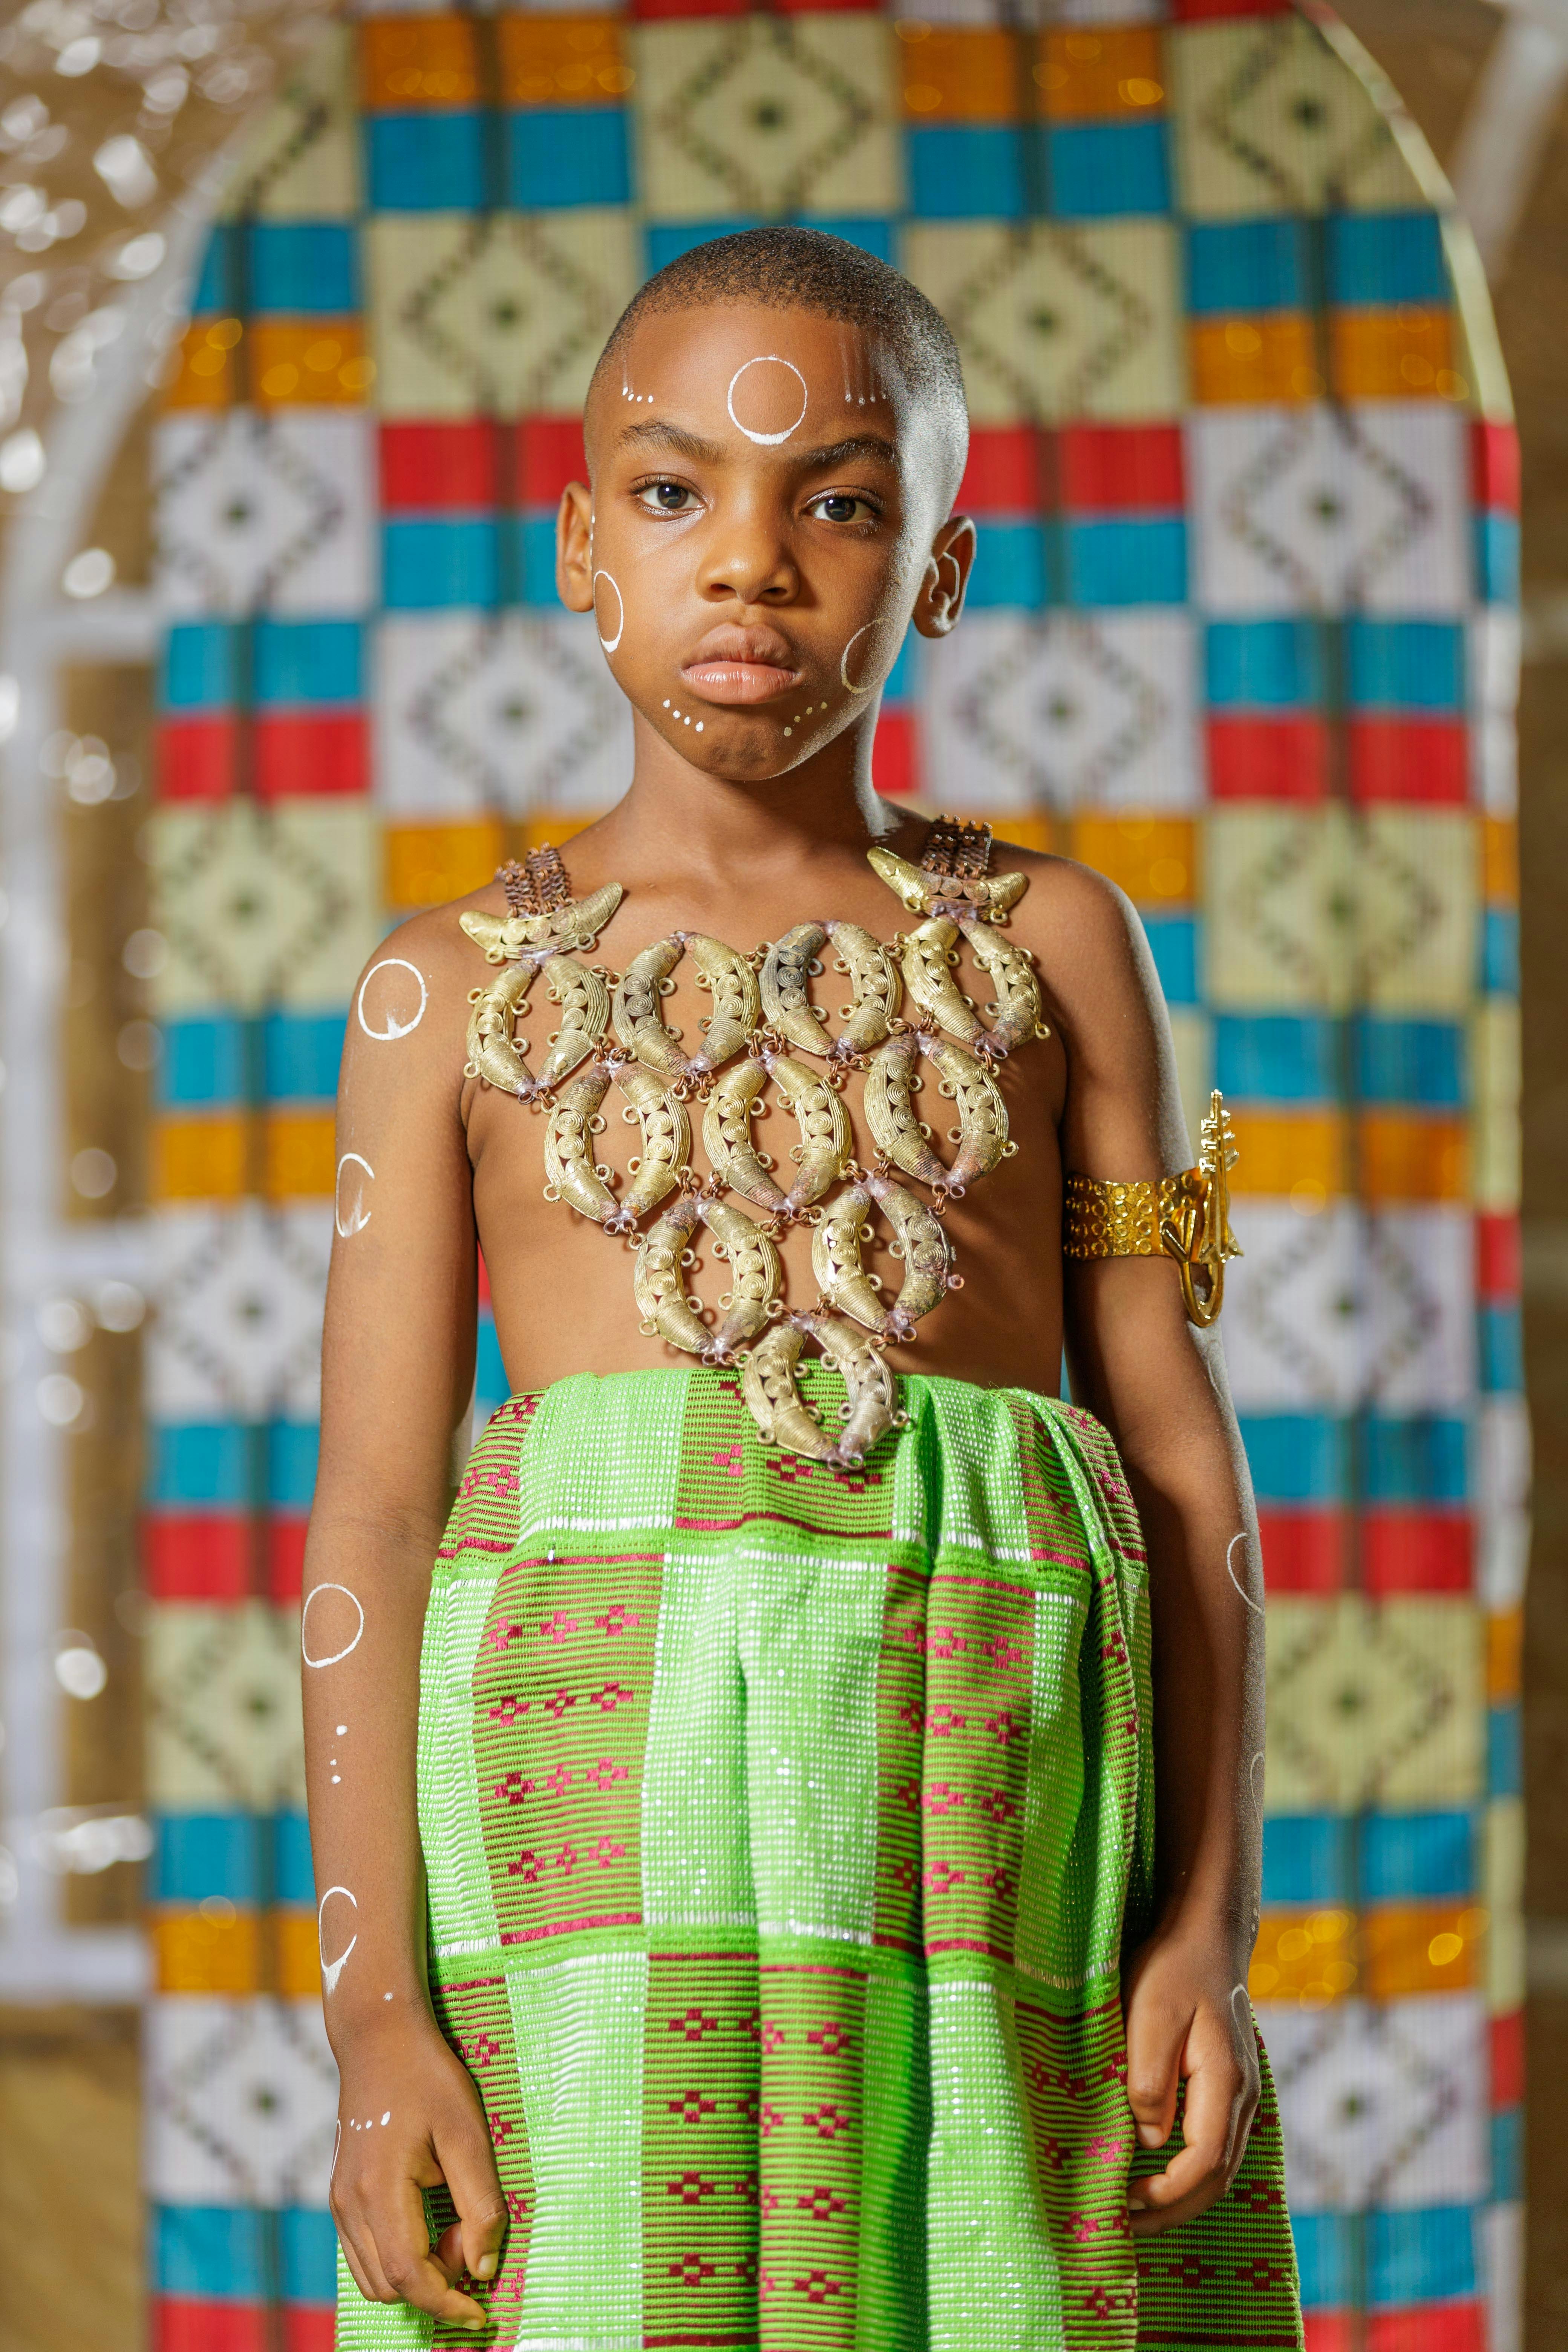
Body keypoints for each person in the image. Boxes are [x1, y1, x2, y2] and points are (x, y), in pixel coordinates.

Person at [311, 226, 1300, 2347]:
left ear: (938, 569)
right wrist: (378, 2018)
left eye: (840, 503)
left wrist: (1206, 1926)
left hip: (993, 1849)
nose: (749, 563)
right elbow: (378, 1522)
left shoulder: (1051, 946)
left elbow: (1182, 1466)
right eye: (675, 496)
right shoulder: (446, 993)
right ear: (582, 548)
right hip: (588, 1864)